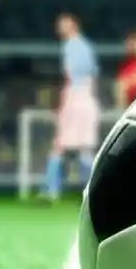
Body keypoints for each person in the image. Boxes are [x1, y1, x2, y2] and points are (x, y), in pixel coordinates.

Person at [43, 13, 100, 201]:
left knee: (59, 144)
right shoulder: (87, 46)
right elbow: (93, 76)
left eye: (63, 24)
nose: (59, 28)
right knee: (85, 147)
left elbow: (69, 76)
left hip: (75, 96)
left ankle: (51, 190)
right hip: (88, 98)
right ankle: (93, 192)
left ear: (74, 25)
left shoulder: (70, 47)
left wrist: (62, 103)